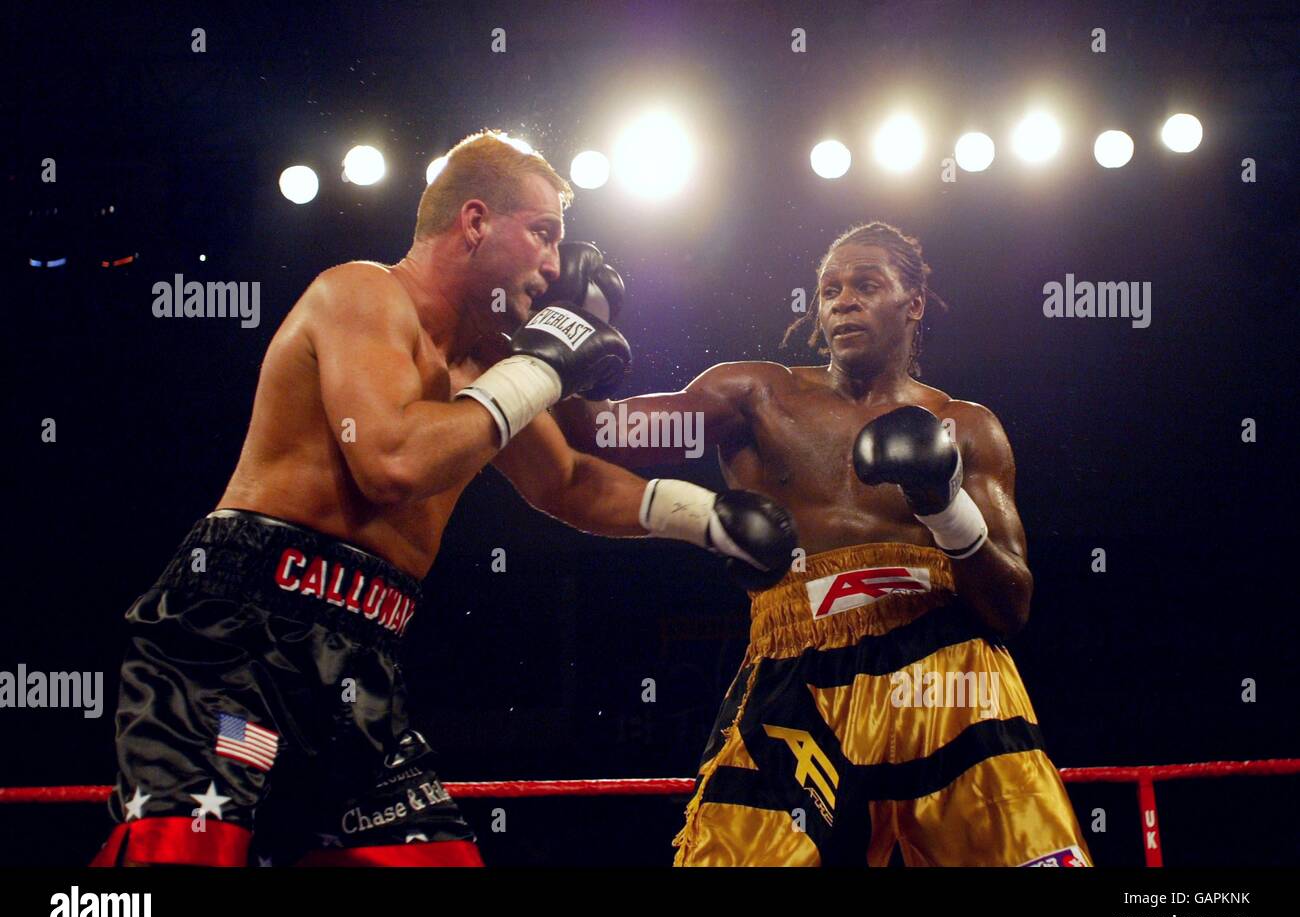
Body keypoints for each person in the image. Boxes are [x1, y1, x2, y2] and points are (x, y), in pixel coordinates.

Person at [90, 130, 796, 867]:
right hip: (236, 637)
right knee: (173, 863)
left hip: (361, 662)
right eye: (543, 234)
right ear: (475, 221)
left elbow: (569, 483)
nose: (555, 264)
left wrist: (707, 519)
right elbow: (390, 461)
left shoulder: (494, 363)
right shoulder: (362, 294)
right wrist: (543, 371)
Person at [553, 220, 1091, 867]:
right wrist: (557, 343)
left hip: (950, 677)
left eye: (866, 285)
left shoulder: (967, 426)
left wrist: (945, 508)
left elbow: (1011, 607)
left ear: (912, 303)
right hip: (799, 674)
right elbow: (599, 435)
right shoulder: (756, 395)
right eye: (830, 289)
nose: (843, 301)